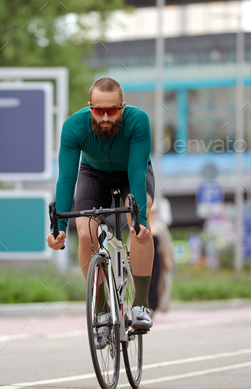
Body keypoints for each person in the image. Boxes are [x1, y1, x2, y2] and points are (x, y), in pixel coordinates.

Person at [47, 77, 155, 335]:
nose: (105, 117)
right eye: (98, 110)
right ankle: (102, 308)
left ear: (123, 107)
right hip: (93, 175)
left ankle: (140, 305)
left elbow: (138, 173)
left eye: (112, 110)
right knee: (86, 234)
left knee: (138, 227)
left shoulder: (138, 120)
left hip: (132, 174)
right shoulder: (73, 126)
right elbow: (66, 178)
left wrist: (139, 220)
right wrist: (58, 228)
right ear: (90, 106)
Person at [148, 204, 175, 314]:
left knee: (157, 284)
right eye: (151, 211)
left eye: (155, 211)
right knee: (146, 284)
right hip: (144, 260)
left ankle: (152, 308)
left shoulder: (161, 227)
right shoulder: (141, 226)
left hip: (157, 261)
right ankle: (146, 307)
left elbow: (167, 246)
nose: (153, 214)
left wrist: (168, 259)